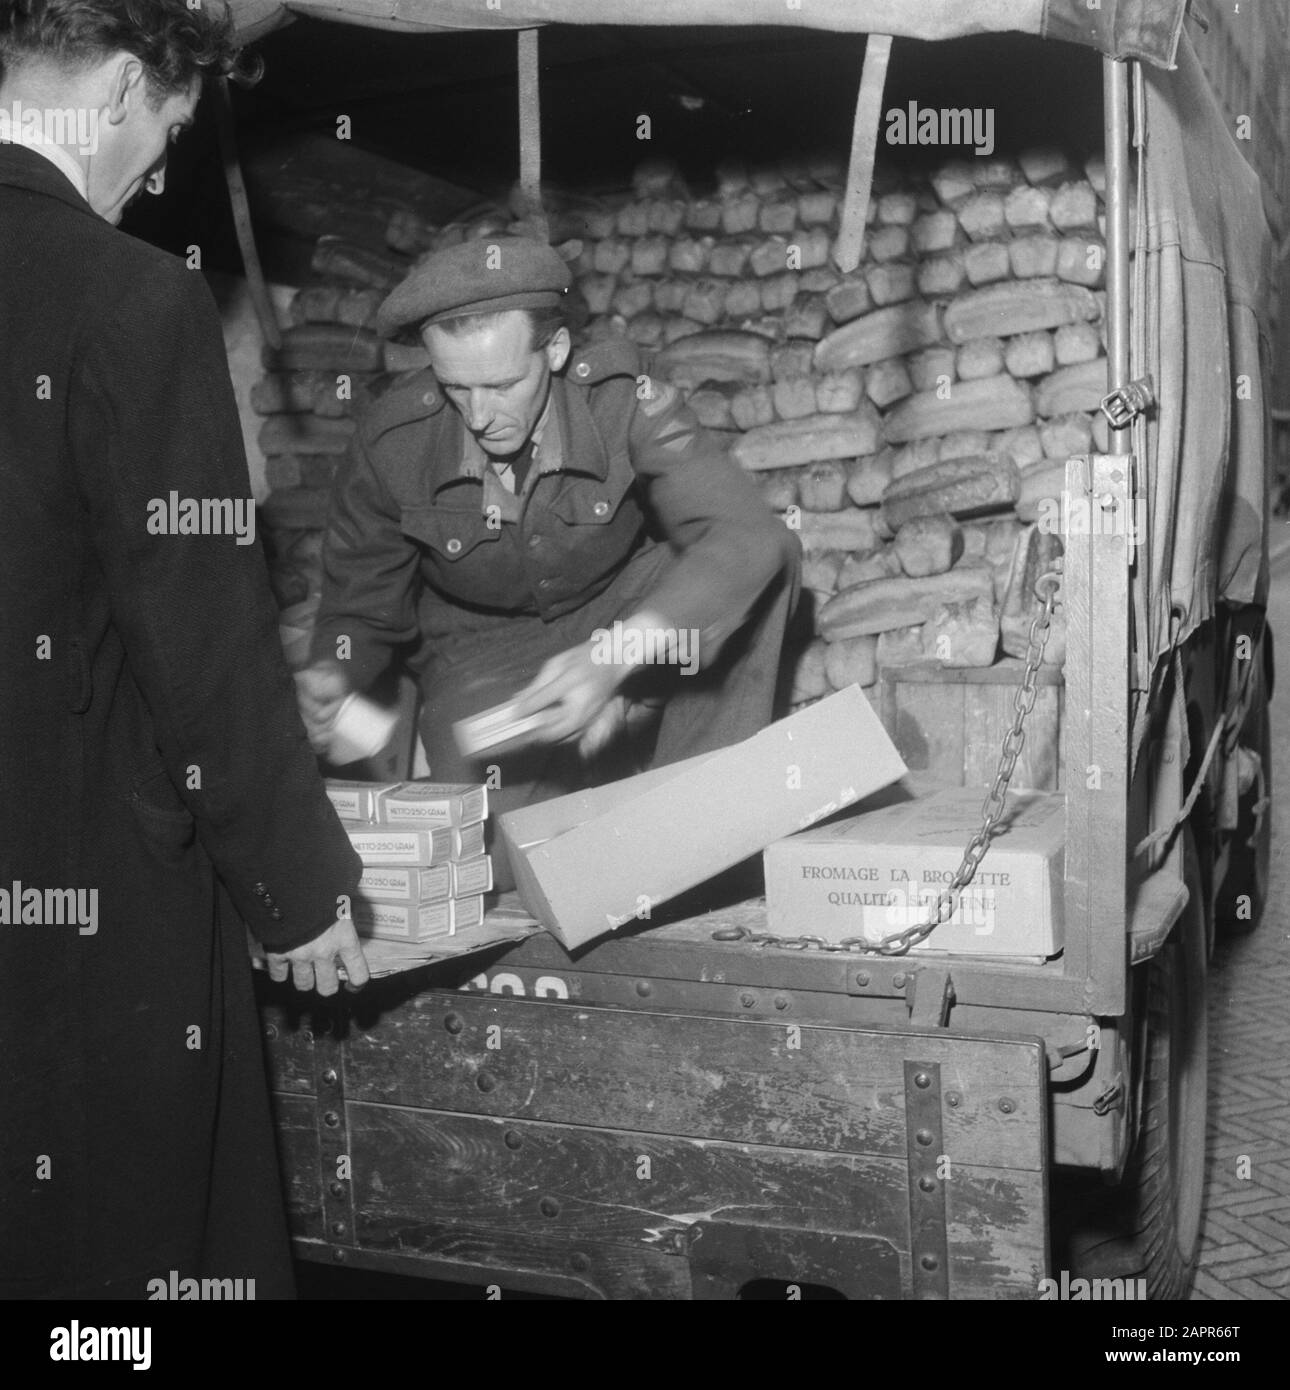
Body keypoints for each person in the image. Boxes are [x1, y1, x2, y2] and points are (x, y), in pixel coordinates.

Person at [0, 0, 368, 1299]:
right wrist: (298, 883)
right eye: (162, 130)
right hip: (83, 907)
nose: (157, 173)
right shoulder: (133, 300)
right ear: (110, 92)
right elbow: (201, 642)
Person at [296, 237, 801, 887]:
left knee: (762, 567)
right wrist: (334, 670)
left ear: (556, 351)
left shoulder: (630, 399)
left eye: (503, 385)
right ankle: (601, 769)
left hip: (620, 610)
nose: (480, 416)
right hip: (480, 650)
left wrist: (616, 656)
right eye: (456, 387)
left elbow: (746, 535)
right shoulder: (391, 441)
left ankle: (696, 827)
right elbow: (359, 605)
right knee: (508, 874)